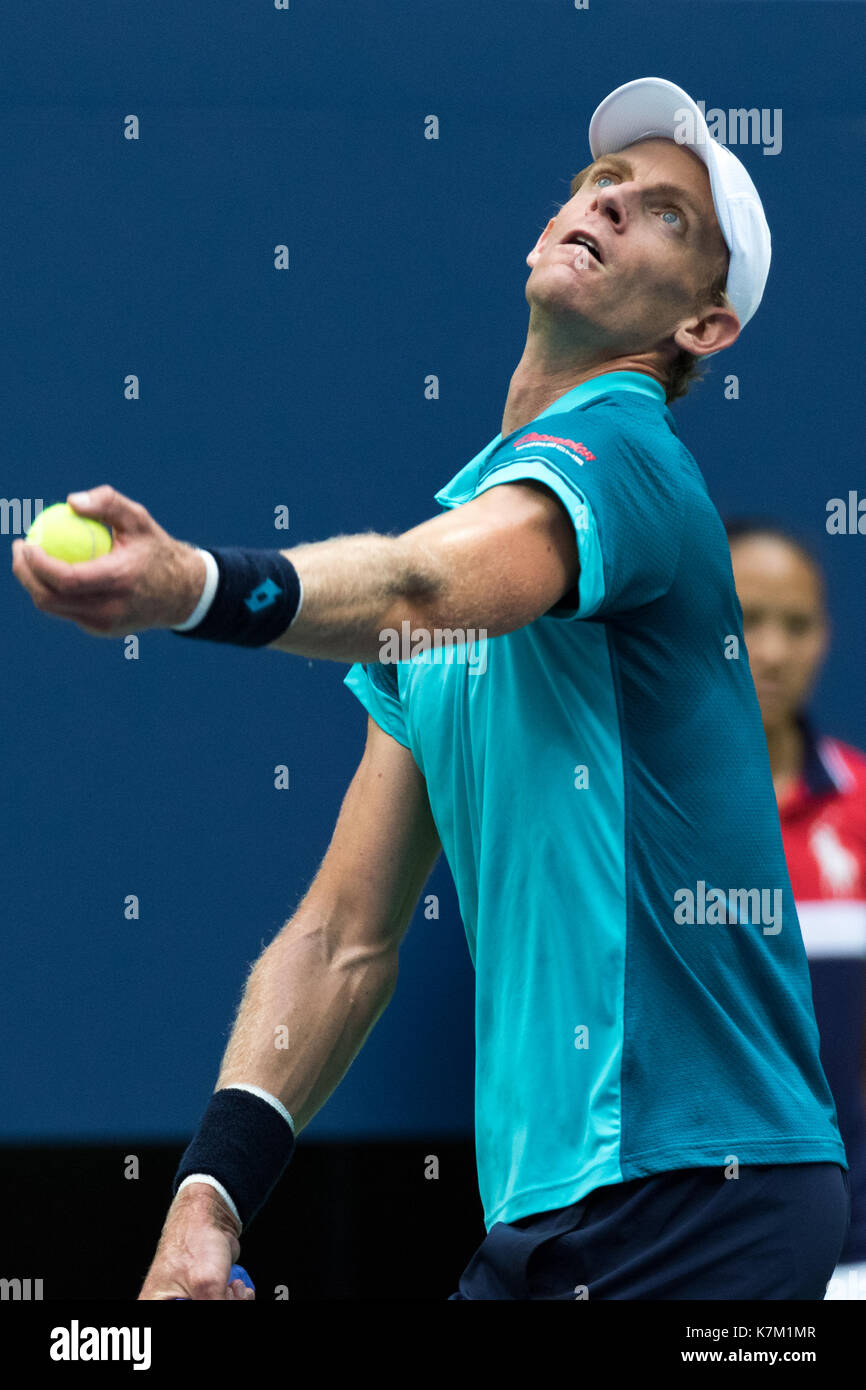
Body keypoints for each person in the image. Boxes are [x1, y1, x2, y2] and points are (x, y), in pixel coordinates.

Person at [12, 77, 848, 1300]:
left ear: (704, 327)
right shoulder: (473, 533)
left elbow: (412, 589)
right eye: (599, 184)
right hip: (550, 1214)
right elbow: (342, 938)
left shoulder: (626, 457)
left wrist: (190, 586)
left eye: (664, 214)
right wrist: (207, 1202)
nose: (611, 201)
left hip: (701, 1196)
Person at [727, 519, 866, 1301]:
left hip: (851, 1258)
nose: (773, 652)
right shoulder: (628, 814)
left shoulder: (863, 809)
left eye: (798, 625)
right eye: (746, 620)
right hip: (682, 1258)